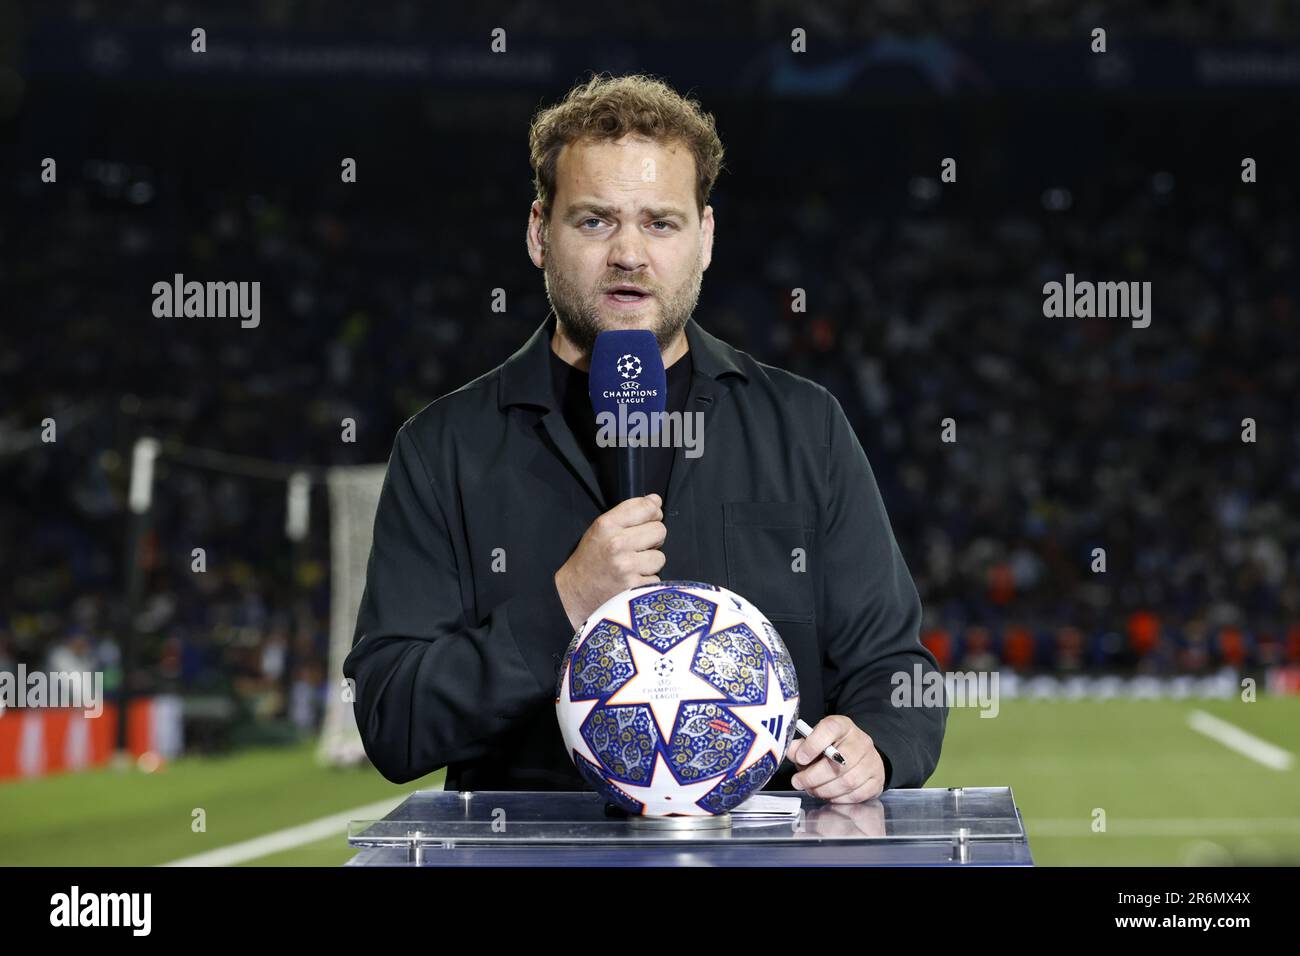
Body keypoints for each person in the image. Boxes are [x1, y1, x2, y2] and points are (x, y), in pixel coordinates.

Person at [344, 73, 946, 804]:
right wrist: (562, 605)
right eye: (595, 220)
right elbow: (391, 722)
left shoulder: (804, 427)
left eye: (660, 223)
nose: (629, 253)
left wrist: (875, 743)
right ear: (540, 233)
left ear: (706, 237)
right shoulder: (444, 449)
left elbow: (896, 672)